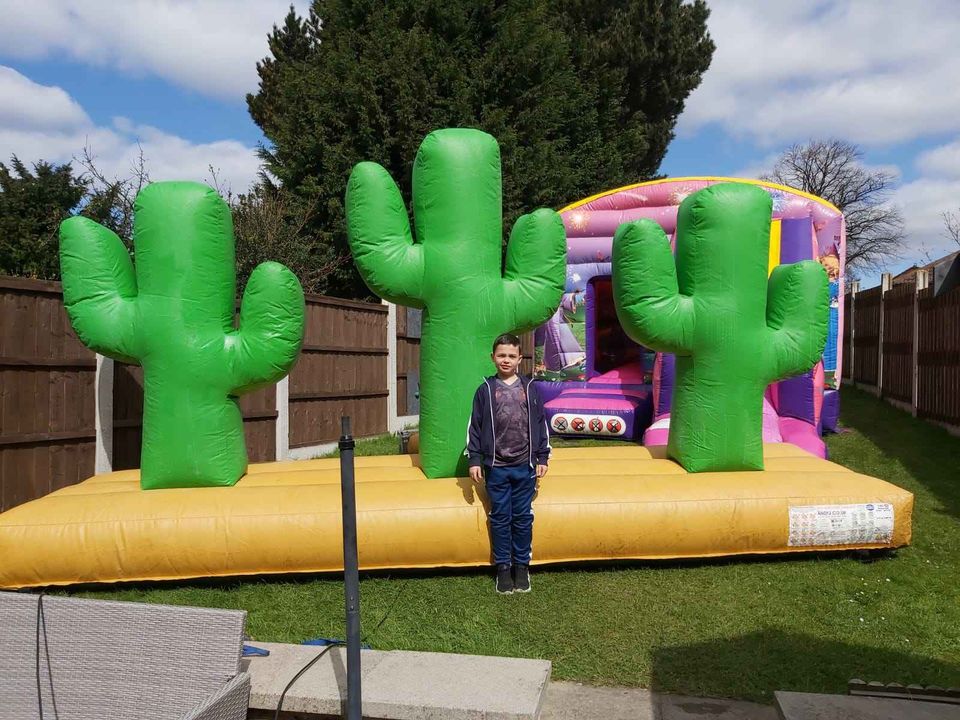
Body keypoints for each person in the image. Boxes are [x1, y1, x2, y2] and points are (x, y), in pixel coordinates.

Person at [466, 333, 550, 594]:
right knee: (500, 517)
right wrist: (475, 459)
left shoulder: (530, 388)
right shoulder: (485, 390)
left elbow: (541, 424)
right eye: (501, 355)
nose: (506, 360)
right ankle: (503, 567)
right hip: (497, 467)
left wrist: (542, 457)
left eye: (511, 356)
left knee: (522, 517)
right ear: (493, 357)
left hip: (524, 466)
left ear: (520, 359)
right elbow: (475, 427)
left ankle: (521, 566)